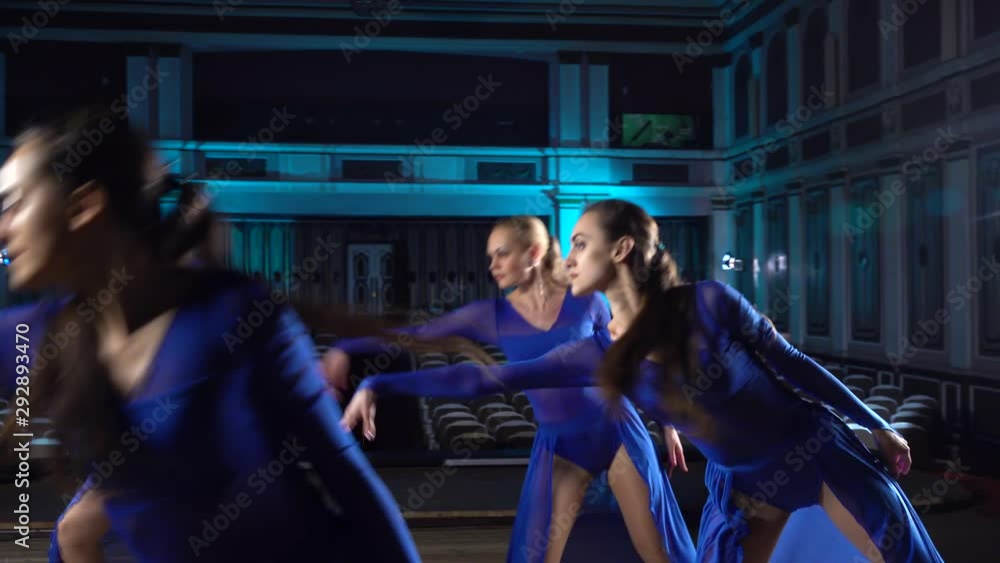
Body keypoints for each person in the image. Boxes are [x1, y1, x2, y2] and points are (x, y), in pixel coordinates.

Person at [342, 198, 945, 563]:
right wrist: (380, 387)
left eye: (579, 244)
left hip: (813, 454)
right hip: (744, 491)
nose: (568, 258)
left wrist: (877, 423)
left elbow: (798, 367)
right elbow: (486, 382)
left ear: (622, 249)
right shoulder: (595, 356)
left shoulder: (712, 302)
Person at [0, 108, 429, 562]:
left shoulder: (234, 317)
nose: (3, 228)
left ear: (82, 206)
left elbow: (351, 483)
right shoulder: (41, 334)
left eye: (13, 204)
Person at [326, 215, 695, 563]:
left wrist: (668, 421)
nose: (493, 265)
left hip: (616, 429)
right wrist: (348, 351)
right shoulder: (490, 316)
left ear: (533, 254)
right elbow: (416, 337)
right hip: (560, 441)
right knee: (536, 556)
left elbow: (625, 360)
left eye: (502, 253)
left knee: (656, 552)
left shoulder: (587, 301)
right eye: (490, 256)